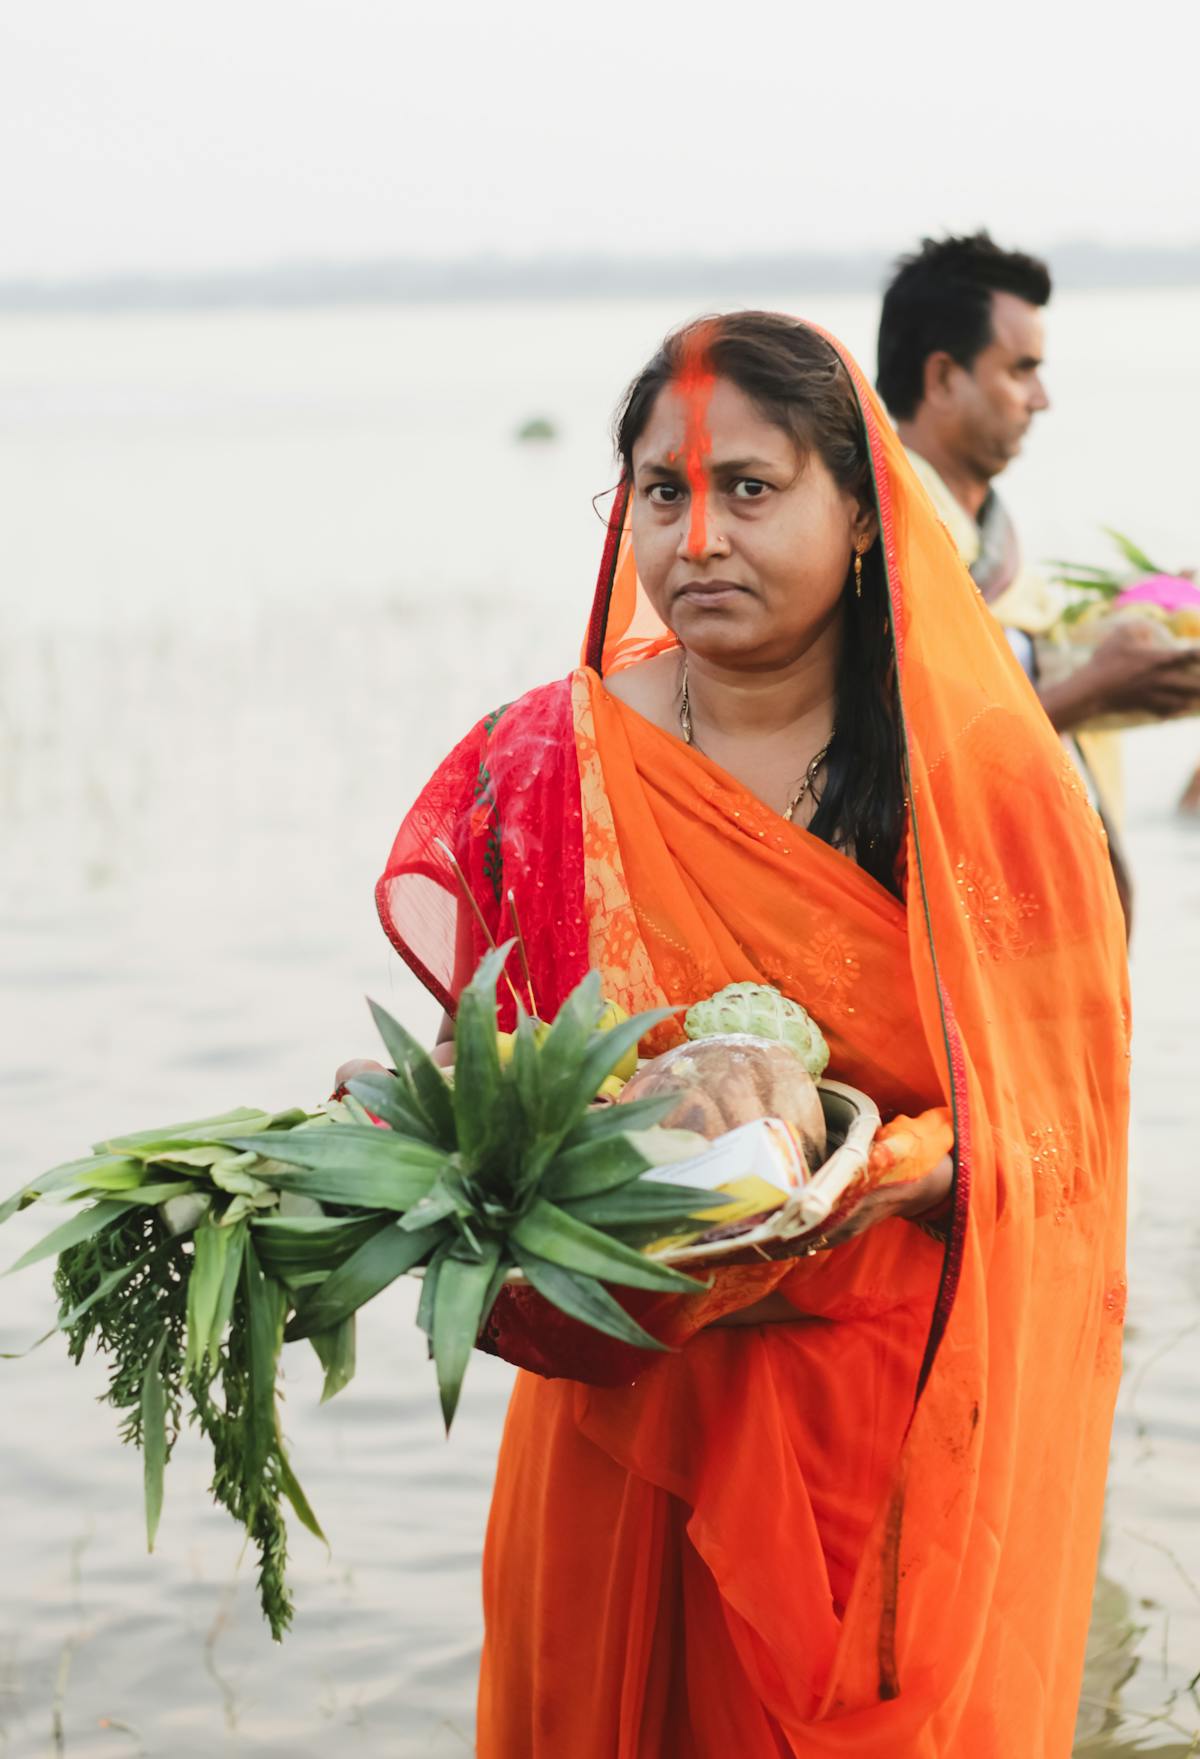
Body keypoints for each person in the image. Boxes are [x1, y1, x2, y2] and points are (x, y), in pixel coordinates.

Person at [373, 314, 1128, 1756]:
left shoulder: (975, 785)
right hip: (621, 1408)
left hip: (870, 1422)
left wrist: (880, 1165)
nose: (699, 536)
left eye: (751, 490)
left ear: (862, 516)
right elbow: (494, 1078)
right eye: (664, 492)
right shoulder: (553, 759)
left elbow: (1059, 1131)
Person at [877, 232, 1199, 930]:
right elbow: (886, 765)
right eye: (1021, 370)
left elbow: (1024, 677)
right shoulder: (881, 534)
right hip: (951, 931)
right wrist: (1091, 692)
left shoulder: (990, 535)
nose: (1041, 398)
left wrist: (1158, 618)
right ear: (941, 378)